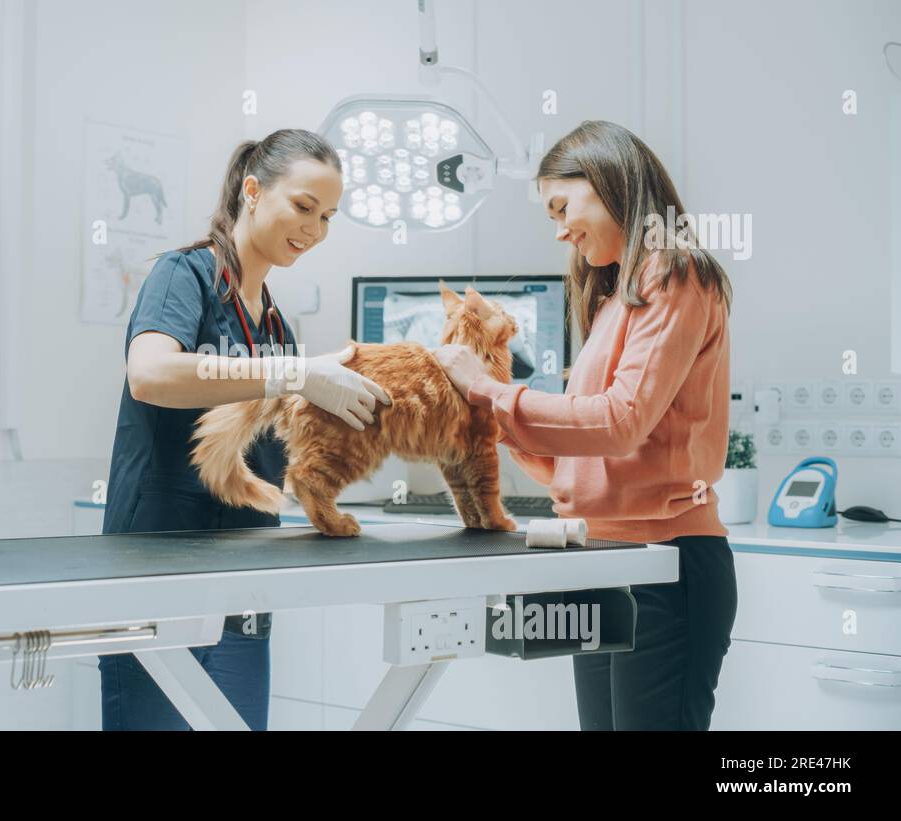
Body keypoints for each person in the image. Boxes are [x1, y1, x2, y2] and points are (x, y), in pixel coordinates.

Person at [435, 120, 738, 730]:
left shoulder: (675, 272)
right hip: (604, 558)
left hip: (666, 562)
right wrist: (483, 419)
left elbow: (621, 423)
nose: (559, 230)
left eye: (562, 205)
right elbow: (583, 456)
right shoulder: (611, 299)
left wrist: (492, 392)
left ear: (607, 181)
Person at [99, 129, 391, 730]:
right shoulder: (185, 276)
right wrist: (293, 374)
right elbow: (149, 374)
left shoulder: (277, 323)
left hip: (246, 575)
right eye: (304, 207)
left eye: (329, 217)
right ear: (252, 192)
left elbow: (275, 426)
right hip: (161, 561)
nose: (314, 230)